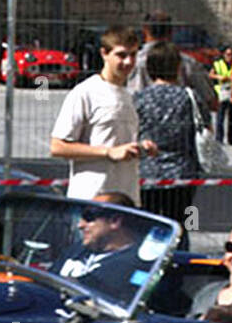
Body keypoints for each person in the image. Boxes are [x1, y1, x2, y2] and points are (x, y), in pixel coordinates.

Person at [50, 25, 156, 205]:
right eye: (121, 55)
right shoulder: (85, 92)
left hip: (126, 200)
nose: (128, 62)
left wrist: (141, 147)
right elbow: (58, 147)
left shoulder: (129, 95)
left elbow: (117, 142)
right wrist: (108, 152)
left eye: (133, 55)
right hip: (92, 199)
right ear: (104, 54)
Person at [133, 41, 200, 248]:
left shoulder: (138, 98)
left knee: (148, 225)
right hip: (182, 171)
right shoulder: (188, 97)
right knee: (181, 223)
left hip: (148, 171)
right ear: (178, 68)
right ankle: (181, 263)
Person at [51, 191, 147, 292]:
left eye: (89, 217)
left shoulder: (134, 265)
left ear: (115, 221)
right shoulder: (78, 249)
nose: (80, 225)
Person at [127, 10, 217, 114]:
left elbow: (131, 98)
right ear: (171, 31)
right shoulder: (188, 63)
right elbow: (211, 100)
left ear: (145, 30)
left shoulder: (133, 62)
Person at [211, 46, 232, 144]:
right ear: (223, 55)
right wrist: (219, 77)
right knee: (220, 117)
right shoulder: (218, 64)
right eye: (228, 54)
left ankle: (231, 139)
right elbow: (210, 74)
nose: (229, 57)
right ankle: (219, 138)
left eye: (231, 55)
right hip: (220, 92)